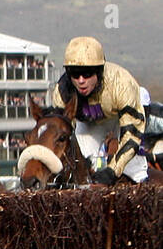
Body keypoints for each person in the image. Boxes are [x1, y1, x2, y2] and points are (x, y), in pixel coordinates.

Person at [48, 36, 148, 184]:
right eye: (75, 74)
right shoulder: (62, 91)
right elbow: (59, 135)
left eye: (87, 73)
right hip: (89, 123)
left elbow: (132, 135)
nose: (81, 80)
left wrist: (112, 170)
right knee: (79, 165)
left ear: (99, 71)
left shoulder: (122, 83)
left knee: (135, 170)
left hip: (120, 119)